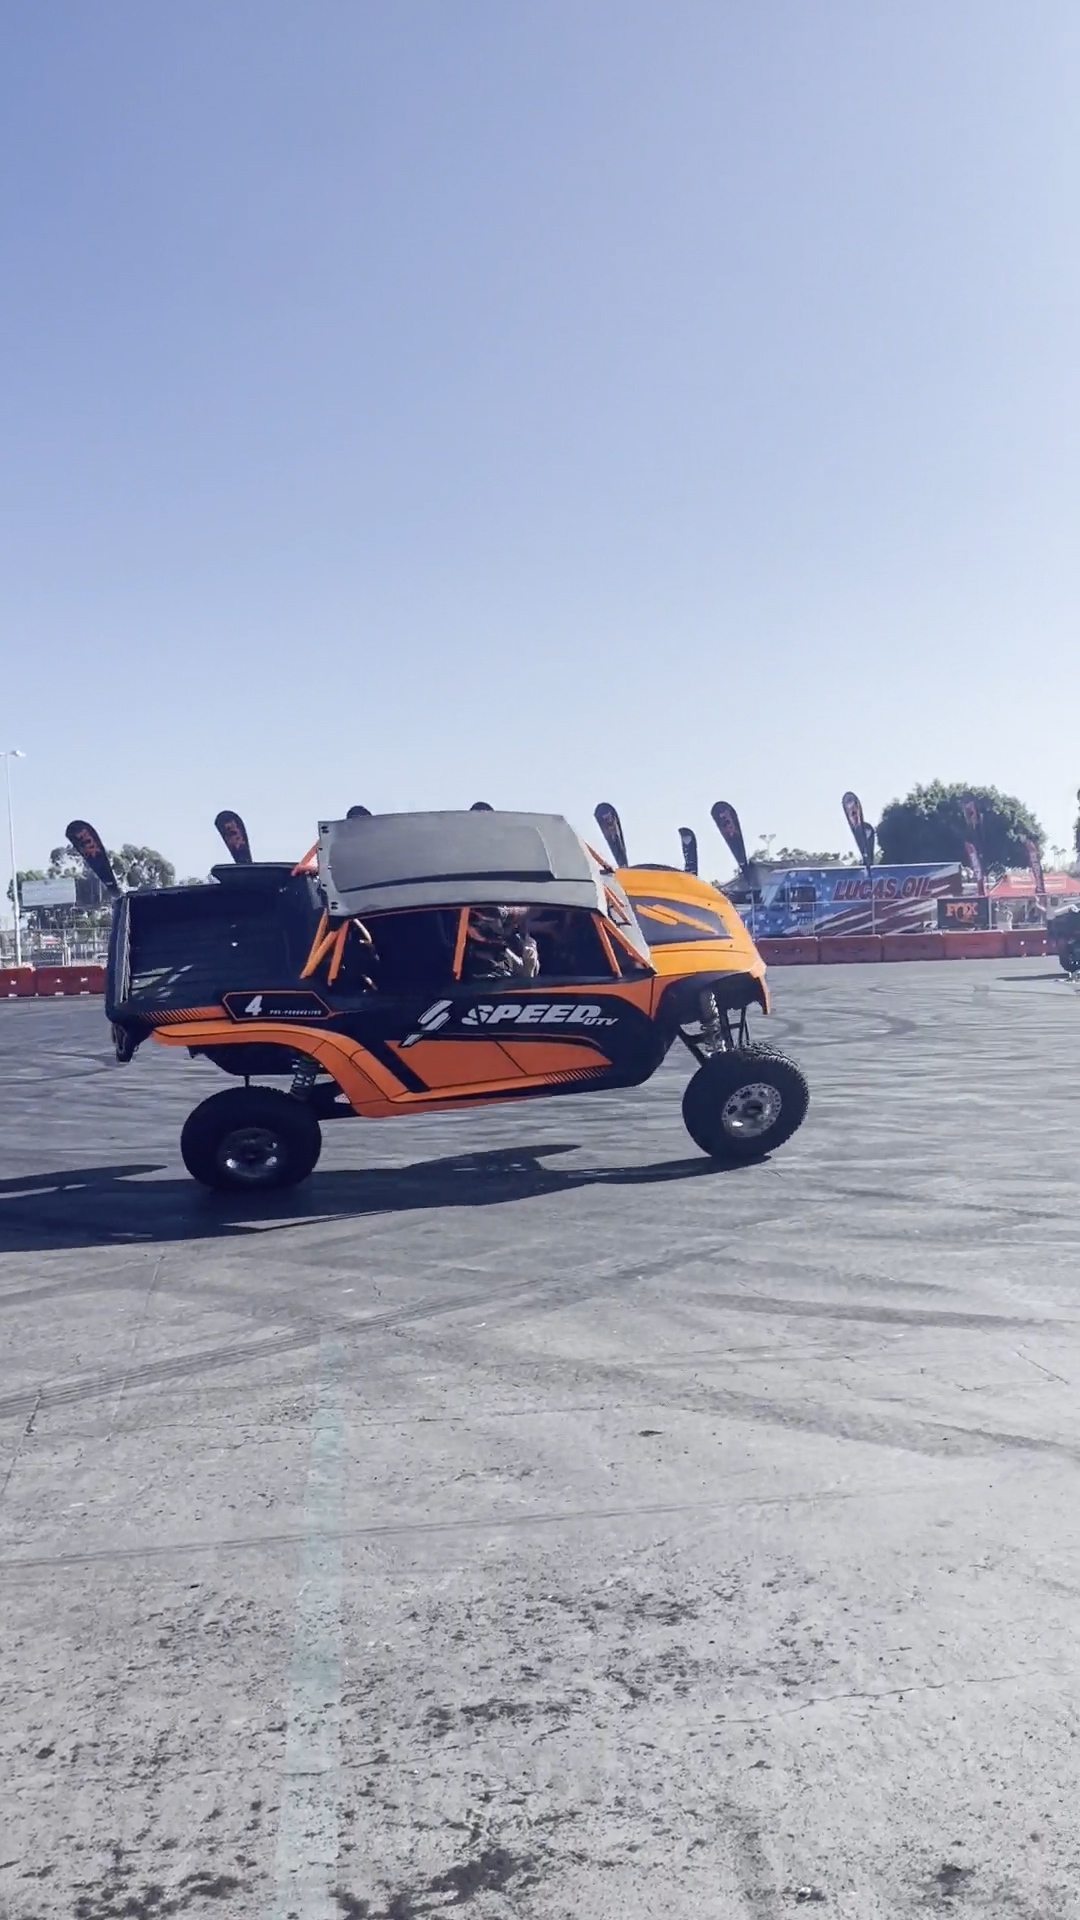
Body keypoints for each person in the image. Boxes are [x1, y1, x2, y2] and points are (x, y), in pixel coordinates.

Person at [463, 906, 539, 981]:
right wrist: (528, 972)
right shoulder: (481, 963)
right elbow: (509, 987)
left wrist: (530, 961)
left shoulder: (507, 946)